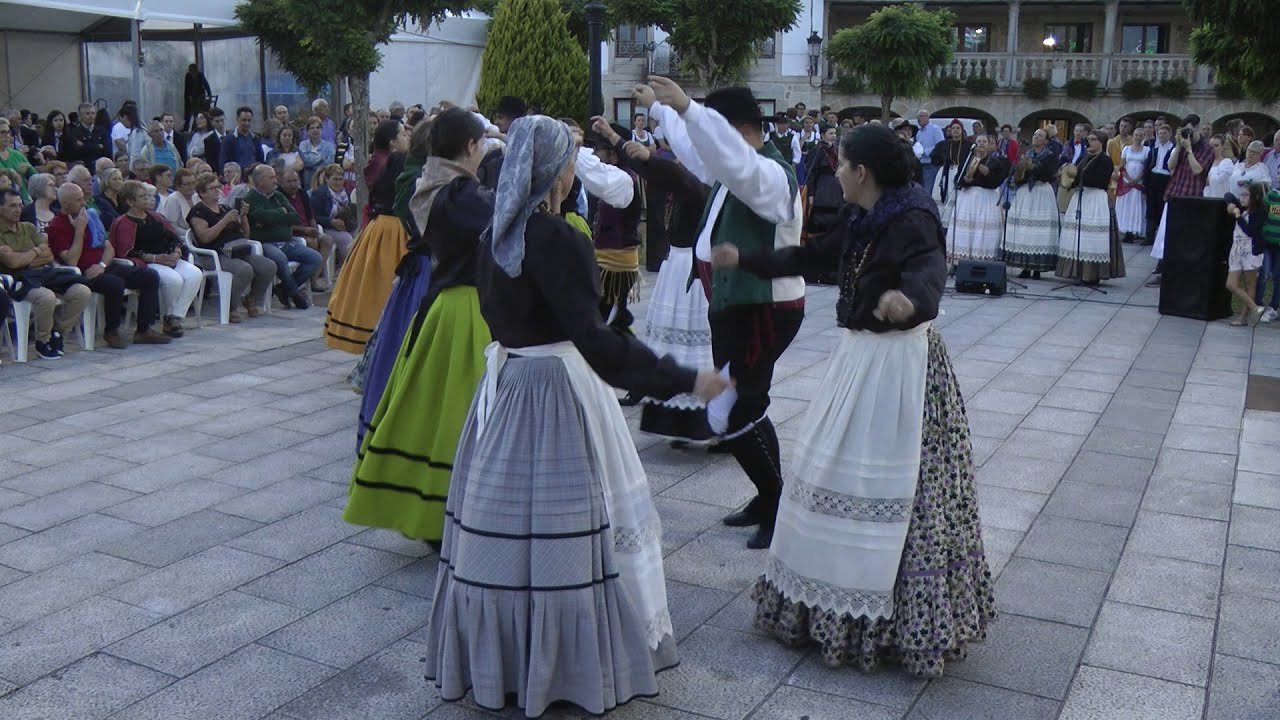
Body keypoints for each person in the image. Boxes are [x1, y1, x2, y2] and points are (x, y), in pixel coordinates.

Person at [424, 113, 727, 718]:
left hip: (507, 387)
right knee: (569, 532)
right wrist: (683, 377)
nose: (572, 171)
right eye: (568, 160)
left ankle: (507, 663)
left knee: (506, 531)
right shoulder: (556, 237)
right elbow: (596, 340)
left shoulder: (494, 233)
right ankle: (564, 666)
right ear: (553, 172)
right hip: (558, 391)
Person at [709, 123, 993, 679]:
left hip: (899, 367)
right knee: (834, 473)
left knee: (895, 484)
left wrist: (906, 300)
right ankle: (827, 605)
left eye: (841, 164)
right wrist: (747, 259)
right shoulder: (864, 215)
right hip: (860, 358)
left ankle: (892, 617)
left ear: (861, 173)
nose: (834, 172)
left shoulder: (913, 218)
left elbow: (930, 273)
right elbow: (815, 256)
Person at [646, 76, 805, 550]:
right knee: (746, 405)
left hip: (764, 308)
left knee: (734, 409)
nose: (713, 148)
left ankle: (779, 505)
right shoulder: (735, 169)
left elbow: (736, 167)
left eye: (718, 131)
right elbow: (704, 156)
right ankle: (768, 496)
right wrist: (668, 114)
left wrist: (692, 113)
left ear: (740, 133)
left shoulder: (772, 176)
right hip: (736, 307)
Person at [346, 107, 491, 547]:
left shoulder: (440, 183)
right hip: (457, 303)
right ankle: (451, 508)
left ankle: (440, 506)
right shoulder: (457, 192)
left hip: (443, 297)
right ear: (470, 147)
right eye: (481, 142)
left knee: (430, 405)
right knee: (454, 410)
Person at [613, 114, 714, 446]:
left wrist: (644, 155)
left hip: (693, 273)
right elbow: (669, 176)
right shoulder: (692, 180)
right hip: (678, 266)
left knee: (690, 344)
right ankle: (675, 420)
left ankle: (700, 423)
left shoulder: (704, 184)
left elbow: (677, 178)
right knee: (670, 343)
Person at [45, 183, 171, 349]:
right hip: (81, 272)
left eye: (83, 198)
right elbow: (71, 261)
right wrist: (79, 231)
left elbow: (109, 247)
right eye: (78, 200)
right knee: (114, 284)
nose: (84, 203)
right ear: (66, 204)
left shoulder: (89, 215)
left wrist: (103, 264)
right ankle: (111, 331)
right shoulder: (57, 226)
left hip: (102, 266)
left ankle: (144, 329)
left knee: (149, 276)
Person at [324, 120, 411, 352]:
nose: (407, 137)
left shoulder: (390, 160)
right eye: (403, 134)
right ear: (392, 141)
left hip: (384, 227)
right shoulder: (385, 163)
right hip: (390, 229)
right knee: (382, 289)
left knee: (379, 286)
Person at [0, 187, 93, 359]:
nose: (18, 209)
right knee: (46, 297)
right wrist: (36, 251)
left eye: (20, 205)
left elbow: (48, 255)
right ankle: (42, 341)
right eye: (12, 206)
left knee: (82, 291)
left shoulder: (28, 227)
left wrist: (24, 256)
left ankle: (58, 332)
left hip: (44, 274)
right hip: (19, 280)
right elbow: (12, 263)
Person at [109, 180, 201, 336]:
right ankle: (168, 317)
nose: (148, 199)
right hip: (147, 263)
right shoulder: (123, 222)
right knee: (174, 280)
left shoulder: (155, 217)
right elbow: (126, 251)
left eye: (147, 195)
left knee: (194, 274)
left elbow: (173, 237)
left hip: (169, 256)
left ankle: (175, 316)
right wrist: (155, 258)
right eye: (142, 196)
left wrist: (177, 252)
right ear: (130, 202)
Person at [187, 171, 275, 321]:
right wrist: (225, 221)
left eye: (217, 187)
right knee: (244, 269)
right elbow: (205, 237)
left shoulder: (225, 208)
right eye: (212, 188)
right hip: (213, 253)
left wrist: (243, 216)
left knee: (269, 266)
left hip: (236, 250)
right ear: (201, 193)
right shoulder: (198, 211)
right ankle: (231, 306)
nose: (217, 191)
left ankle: (251, 298)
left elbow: (245, 235)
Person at [583, 118, 643, 336]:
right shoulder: (619, 174)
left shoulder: (622, 178)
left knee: (606, 317)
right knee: (613, 315)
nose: (596, 156)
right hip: (613, 254)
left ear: (613, 153)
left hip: (614, 259)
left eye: (600, 150)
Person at [1148, 115, 1214, 287]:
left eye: (1191, 130)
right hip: (1174, 193)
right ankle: (1164, 271)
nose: (1188, 133)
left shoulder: (1207, 148)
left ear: (1198, 128)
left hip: (1192, 196)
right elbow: (1170, 165)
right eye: (1186, 130)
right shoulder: (1181, 145)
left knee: (1184, 239)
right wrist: (1178, 146)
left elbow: (1198, 170)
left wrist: (1190, 149)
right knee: (1166, 236)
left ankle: (1180, 273)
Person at [244, 164, 322, 309]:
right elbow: (259, 217)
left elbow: (295, 218)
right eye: (272, 177)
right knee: (280, 258)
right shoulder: (250, 198)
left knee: (315, 258)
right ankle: (295, 294)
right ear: (260, 181)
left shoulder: (278, 196)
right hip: (266, 243)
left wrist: (272, 219)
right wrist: (281, 213)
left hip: (287, 241)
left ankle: (283, 289)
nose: (275, 181)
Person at [1058, 130, 1124, 285]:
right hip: (1081, 197)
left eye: (1093, 140)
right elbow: (1076, 179)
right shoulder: (1085, 158)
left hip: (1096, 199)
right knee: (1077, 235)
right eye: (1089, 140)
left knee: (1092, 238)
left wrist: (1076, 175)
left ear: (1101, 142)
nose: (1089, 142)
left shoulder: (1105, 160)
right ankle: (1077, 272)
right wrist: (1066, 177)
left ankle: (1092, 275)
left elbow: (1098, 179)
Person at [1005, 129, 1060, 279]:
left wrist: (1035, 167)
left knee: (1039, 229)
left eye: (1040, 135)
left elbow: (1050, 175)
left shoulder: (1050, 156)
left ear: (1046, 140)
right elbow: (1018, 175)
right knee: (1025, 229)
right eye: (1035, 134)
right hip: (1026, 193)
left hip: (1041, 191)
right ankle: (1024, 266)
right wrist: (1021, 172)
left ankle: (1037, 268)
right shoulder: (1026, 155)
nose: (1036, 137)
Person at [947, 134, 1009, 263]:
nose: (981, 144)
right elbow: (957, 180)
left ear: (989, 145)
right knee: (965, 230)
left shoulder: (995, 161)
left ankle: (981, 259)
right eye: (979, 141)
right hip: (968, 198)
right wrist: (965, 180)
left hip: (986, 198)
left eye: (984, 141)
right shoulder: (968, 159)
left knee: (982, 230)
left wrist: (988, 173)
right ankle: (960, 261)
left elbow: (997, 181)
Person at [277, 168, 331, 293]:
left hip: (308, 230)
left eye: (295, 181)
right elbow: (283, 223)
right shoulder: (279, 196)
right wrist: (305, 230)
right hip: (292, 233)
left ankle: (314, 278)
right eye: (289, 181)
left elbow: (310, 216)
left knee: (327, 240)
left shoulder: (302, 193)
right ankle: (307, 280)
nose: (293, 184)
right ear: (282, 182)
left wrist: (314, 229)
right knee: (311, 243)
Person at [1226, 182, 1267, 326]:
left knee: (1250, 284)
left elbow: (1250, 230)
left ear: (1254, 196)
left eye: (1245, 195)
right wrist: (1233, 206)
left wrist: (1237, 216)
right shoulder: (1244, 208)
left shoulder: (1260, 211)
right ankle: (1255, 308)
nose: (1242, 197)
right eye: (1241, 194)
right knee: (1231, 284)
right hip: (1237, 250)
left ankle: (1244, 318)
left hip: (1251, 251)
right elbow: (1228, 196)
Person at [929, 120, 970, 230]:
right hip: (945, 173)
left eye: (958, 128)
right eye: (953, 128)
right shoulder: (943, 144)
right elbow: (934, 157)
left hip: (959, 173)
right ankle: (942, 223)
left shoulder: (968, 145)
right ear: (950, 131)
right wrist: (943, 161)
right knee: (943, 197)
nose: (955, 130)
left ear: (962, 130)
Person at [310, 163, 355, 265]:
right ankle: (350, 268)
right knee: (346, 239)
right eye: (335, 179)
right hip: (327, 227)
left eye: (340, 179)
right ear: (327, 179)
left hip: (345, 226)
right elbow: (313, 217)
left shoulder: (347, 194)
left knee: (360, 235)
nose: (338, 182)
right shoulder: (319, 194)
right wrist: (331, 222)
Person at [1115, 126, 1148, 243]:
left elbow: (1145, 168)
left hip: (1138, 183)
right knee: (1126, 207)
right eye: (1136, 135)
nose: (1138, 137)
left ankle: (1134, 231)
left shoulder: (1146, 150)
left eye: (1140, 135)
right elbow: (1122, 166)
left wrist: (1137, 179)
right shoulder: (1127, 149)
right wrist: (1128, 178)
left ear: (1143, 137)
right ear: (1132, 136)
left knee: (1136, 207)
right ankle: (1125, 230)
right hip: (1127, 182)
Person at [1144, 123, 1175, 246]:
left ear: (1169, 134)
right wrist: (1145, 185)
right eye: (1160, 133)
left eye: (1164, 133)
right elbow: (1147, 167)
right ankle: (1149, 236)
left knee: (1163, 207)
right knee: (1150, 207)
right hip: (1153, 178)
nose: (1162, 135)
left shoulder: (1173, 148)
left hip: (1165, 179)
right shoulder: (1153, 147)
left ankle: (1162, 237)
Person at [221, 107, 264, 172]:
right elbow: (223, 160)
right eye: (244, 120)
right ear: (237, 119)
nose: (247, 123)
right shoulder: (228, 139)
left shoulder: (255, 138)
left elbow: (260, 159)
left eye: (249, 120)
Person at [0, 119, 34, 202]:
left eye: (8, 132)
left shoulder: (17, 154)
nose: (7, 136)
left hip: (24, 202)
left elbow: (36, 179)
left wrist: (28, 166)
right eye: (2, 132)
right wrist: (10, 172)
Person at [298, 117, 335, 189]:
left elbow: (329, 163)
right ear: (308, 131)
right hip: (307, 182)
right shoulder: (303, 145)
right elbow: (305, 161)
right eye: (312, 128)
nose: (315, 130)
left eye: (318, 127)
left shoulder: (329, 146)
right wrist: (321, 158)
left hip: (323, 181)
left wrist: (312, 163)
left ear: (321, 130)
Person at [916, 110, 945, 190]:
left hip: (931, 164)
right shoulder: (919, 133)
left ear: (928, 117)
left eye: (921, 116)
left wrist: (925, 151)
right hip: (920, 165)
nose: (919, 119)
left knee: (928, 189)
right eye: (918, 117)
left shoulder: (935, 129)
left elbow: (940, 145)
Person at [183, 63, 212, 131]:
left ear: (195, 70)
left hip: (200, 97)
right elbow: (187, 87)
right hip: (191, 97)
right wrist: (189, 97)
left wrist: (209, 94)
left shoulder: (200, 75)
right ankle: (186, 127)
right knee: (188, 112)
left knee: (198, 111)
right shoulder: (188, 76)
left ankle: (196, 127)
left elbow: (206, 84)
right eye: (190, 70)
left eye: (192, 70)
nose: (191, 72)